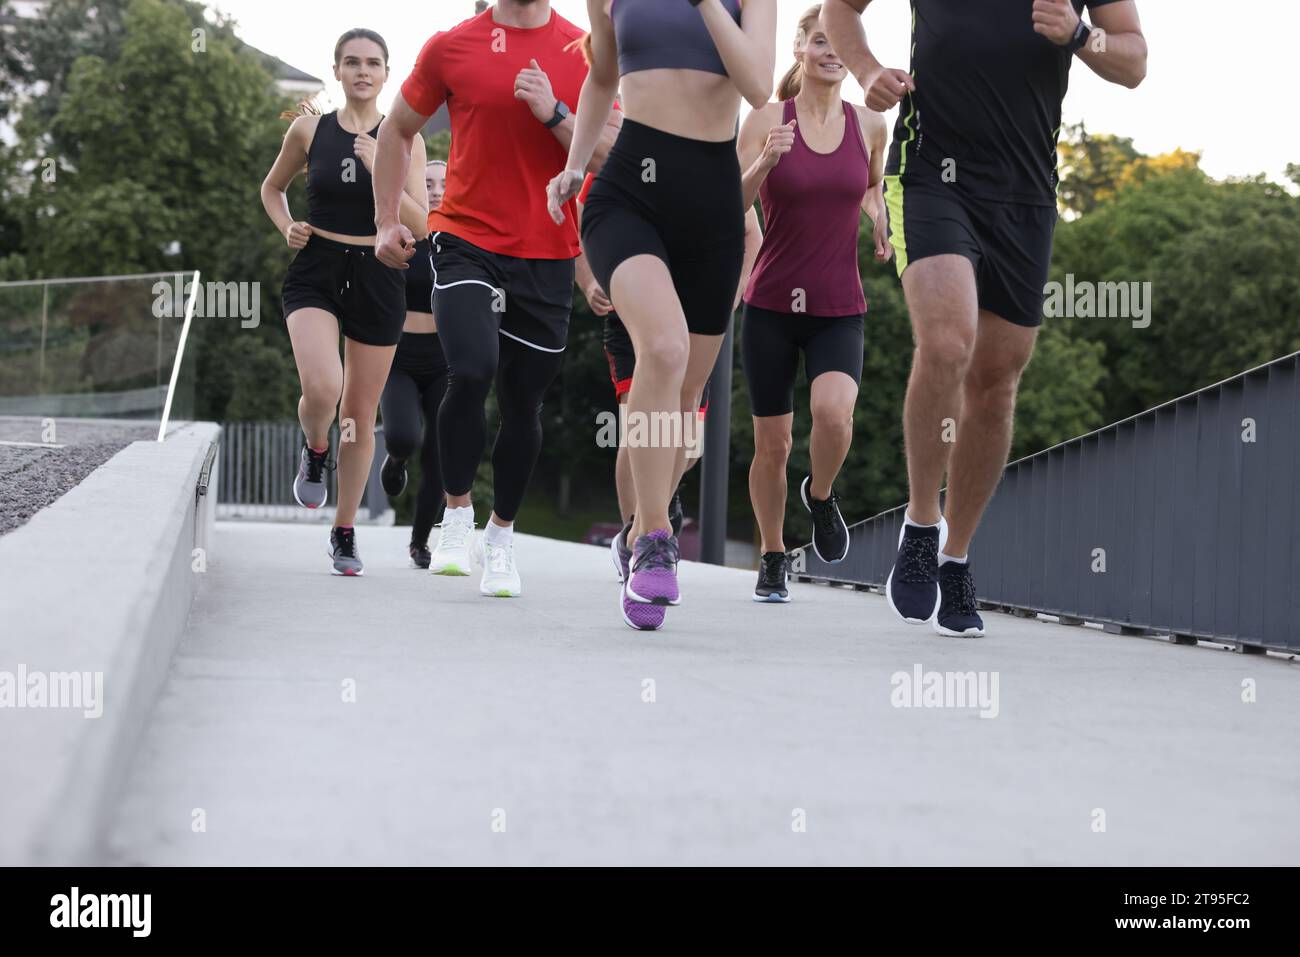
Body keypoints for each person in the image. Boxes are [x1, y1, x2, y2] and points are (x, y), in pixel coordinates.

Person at [823, 0, 1146, 635]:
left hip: (1026, 191)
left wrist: (1082, 35)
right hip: (931, 175)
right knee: (947, 343)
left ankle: (957, 554)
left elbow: (1133, 60)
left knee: (996, 382)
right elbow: (840, 9)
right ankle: (920, 524)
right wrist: (865, 72)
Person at [373, 0, 621, 599]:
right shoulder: (451, 45)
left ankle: (502, 536)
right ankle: (456, 518)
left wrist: (555, 113)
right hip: (465, 240)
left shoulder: (585, 49)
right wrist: (385, 220)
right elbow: (397, 130)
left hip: (547, 250)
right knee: (472, 369)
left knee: (524, 403)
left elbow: (611, 154)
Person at [548, 0, 778, 631]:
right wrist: (575, 165)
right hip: (628, 194)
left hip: (712, 207)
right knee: (665, 349)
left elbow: (759, 85)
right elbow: (601, 75)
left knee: (686, 397)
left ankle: (634, 536)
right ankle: (655, 536)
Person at [260, 28, 429, 576]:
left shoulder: (406, 137)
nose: (362, 71)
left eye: (373, 63)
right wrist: (287, 226)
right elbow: (272, 189)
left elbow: (425, 224)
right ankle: (314, 448)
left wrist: (386, 160)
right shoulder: (310, 131)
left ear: (386, 73)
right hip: (318, 269)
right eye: (351, 62)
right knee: (323, 388)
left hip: (381, 276)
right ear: (336, 71)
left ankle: (345, 529)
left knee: (358, 415)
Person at [738, 3, 889, 603]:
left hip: (837, 303)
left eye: (839, 44)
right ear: (799, 50)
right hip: (772, 305)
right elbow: (733, 203)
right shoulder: (764, 119)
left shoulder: (871, 124)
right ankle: (773, 555)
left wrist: (880, 219)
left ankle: (821, 496)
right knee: (771, 444)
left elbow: (873, 185)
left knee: (834, 415)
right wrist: (768, 158)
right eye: (819, 42)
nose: (831, 53)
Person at [576, 175, 764, 583]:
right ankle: (639, 539)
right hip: (632, 311)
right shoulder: (624, 145)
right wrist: (590, 279)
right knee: (637, 427)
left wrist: (733, 291)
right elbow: (583, 212)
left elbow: (752, 233)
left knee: (688, 442)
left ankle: (654, 505)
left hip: (694, 312)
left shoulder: (704, 151)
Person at [379, 160, 448, 570]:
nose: (437, 190)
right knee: (404, 437)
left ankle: (420, 541)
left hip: (445, 359)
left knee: (442, 453)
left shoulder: (460, 240)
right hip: (399, 356)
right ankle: (397, 459)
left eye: (444, 183)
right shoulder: (398, 235)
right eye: (427, 183)